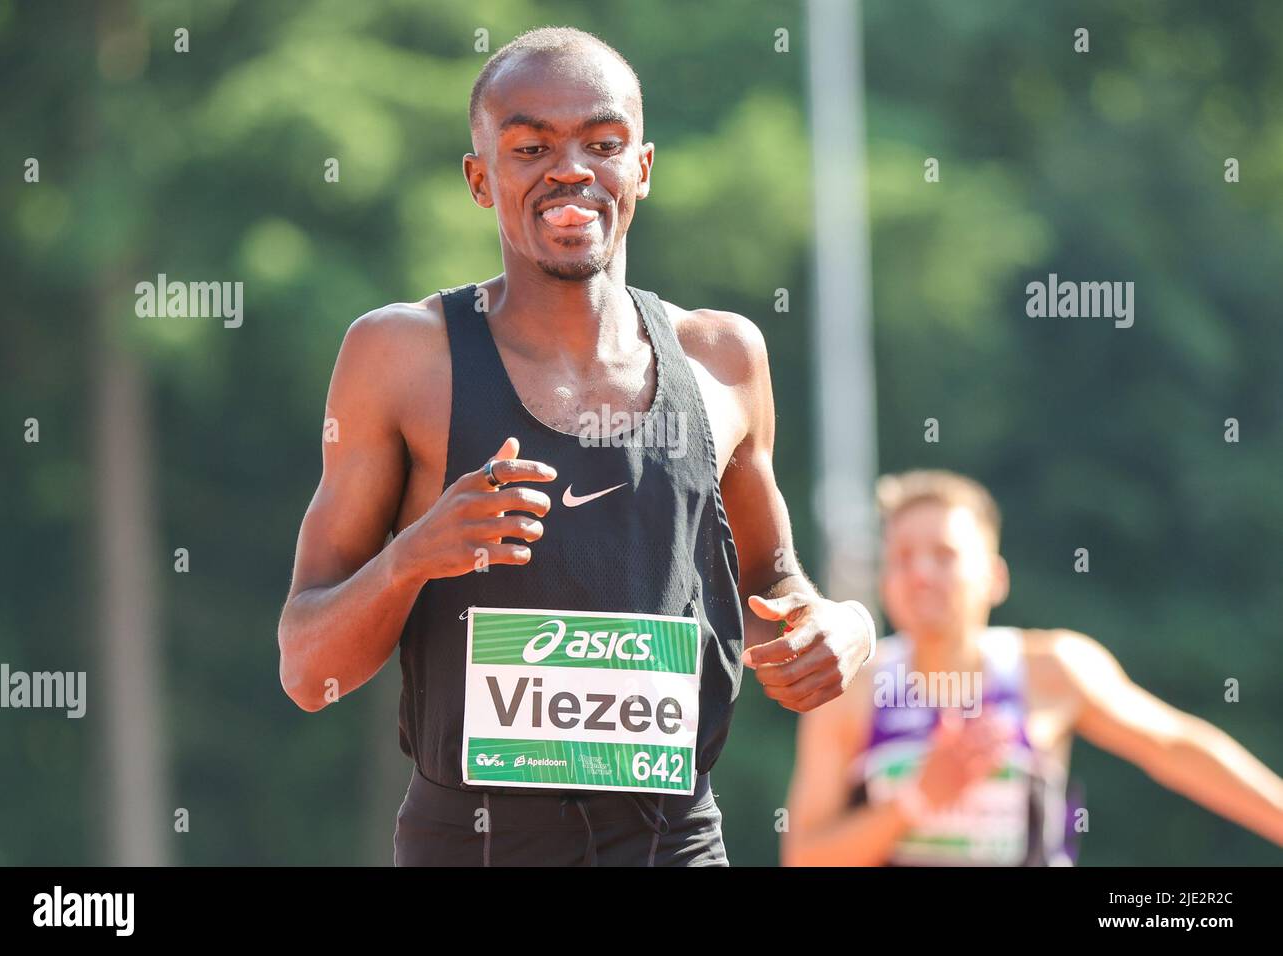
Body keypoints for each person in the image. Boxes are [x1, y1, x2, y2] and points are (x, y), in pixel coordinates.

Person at [275, 26, 875, 866]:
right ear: (481, 179)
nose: (570, 170)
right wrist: (416, 554)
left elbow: (774, 585)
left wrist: (844, 624)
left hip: (673, 843)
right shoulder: (402, 357)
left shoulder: (723, 358)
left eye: (602, 143)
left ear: (643, 169)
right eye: (530, 146)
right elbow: (308, 669)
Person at [782, 469, 1283, 866]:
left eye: (945, 555)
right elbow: (806, 857)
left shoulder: (1052, 669)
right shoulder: (851, 691)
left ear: (996, 577)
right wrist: (917, 799)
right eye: (902, 558)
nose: (920, 575)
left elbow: (1175, 748)